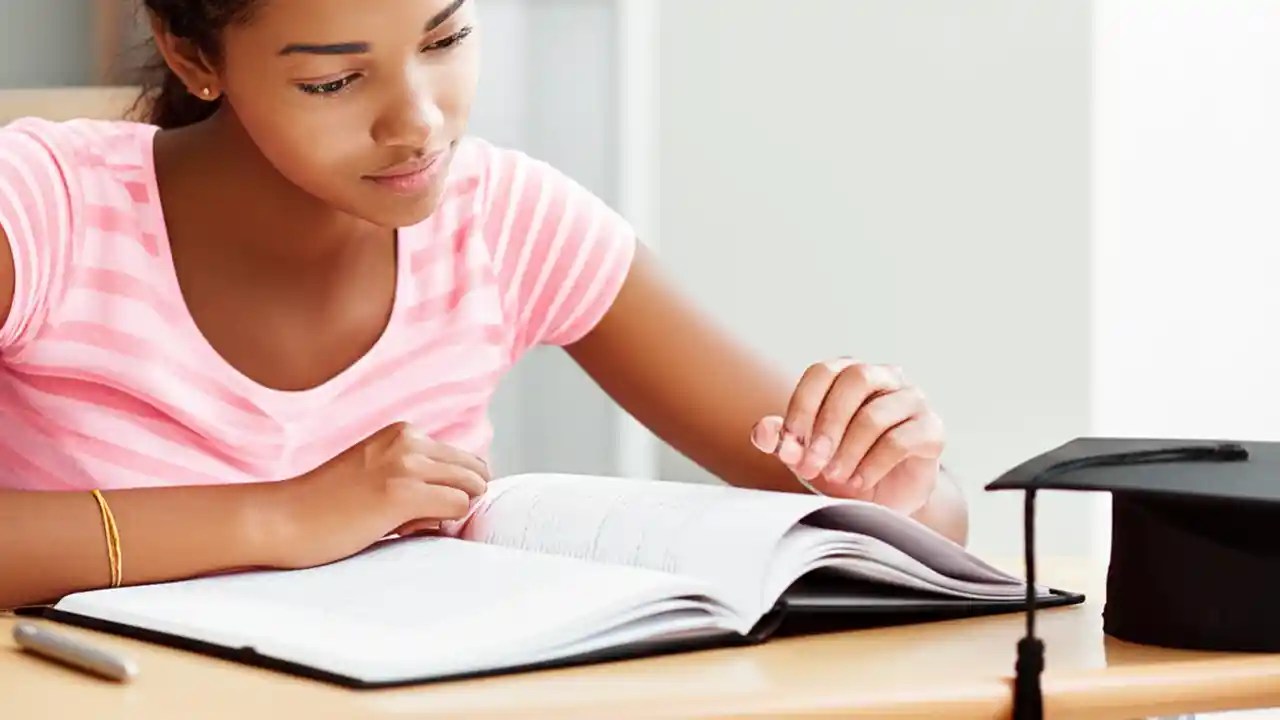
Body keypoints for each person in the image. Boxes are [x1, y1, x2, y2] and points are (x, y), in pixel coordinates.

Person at [0, 0, 967, 610]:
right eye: (332, 79)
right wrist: (278, 520)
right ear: (191, 52)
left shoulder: (505, 219)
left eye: (447, 36)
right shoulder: (42, 210)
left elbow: (895, 525)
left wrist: (890, 478)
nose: (418, 120)